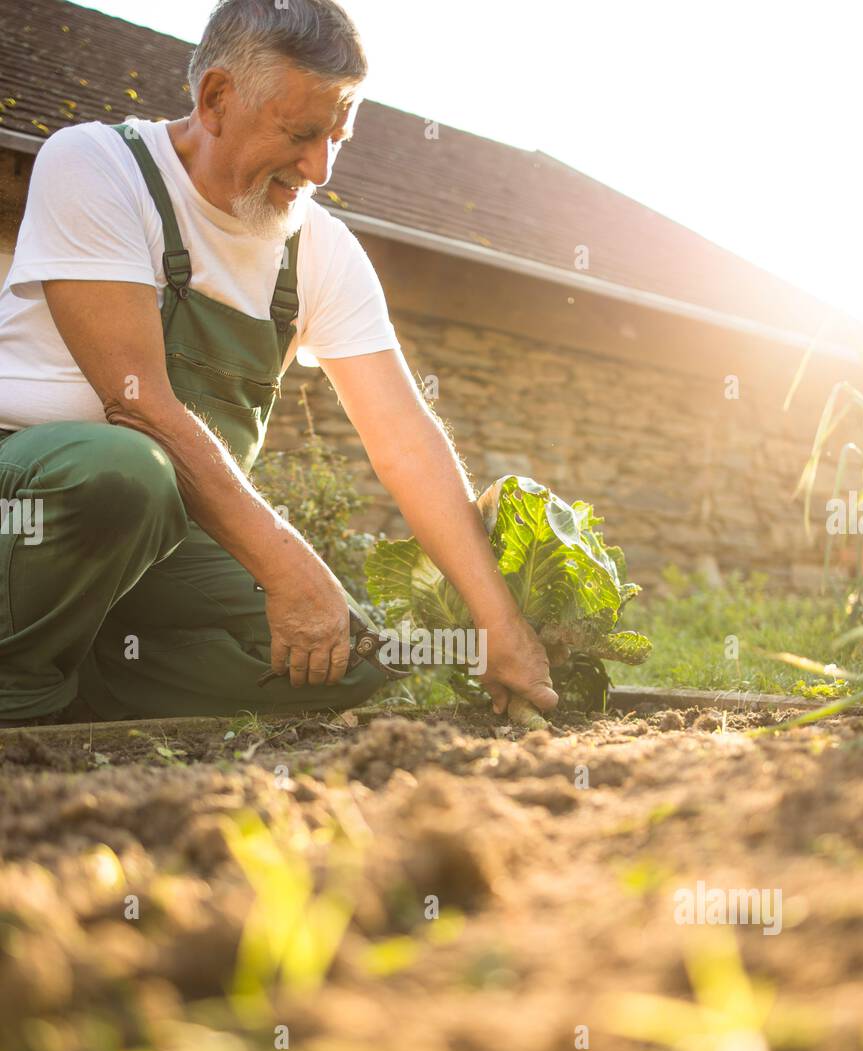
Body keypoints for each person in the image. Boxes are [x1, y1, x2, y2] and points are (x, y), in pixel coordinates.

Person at [0, 0, 556, 726]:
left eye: (338, 138)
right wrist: (290, 564)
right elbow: (138, 405)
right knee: (124, 472)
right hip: (36, 503)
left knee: (350, 656)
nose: (319, 167)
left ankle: (81, 674)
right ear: (217, 99)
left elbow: (405, 439)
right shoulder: (97, 165)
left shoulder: (319, 250)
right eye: (301, 134)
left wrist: (499, 624)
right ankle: (20, 700)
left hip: (163, 537)